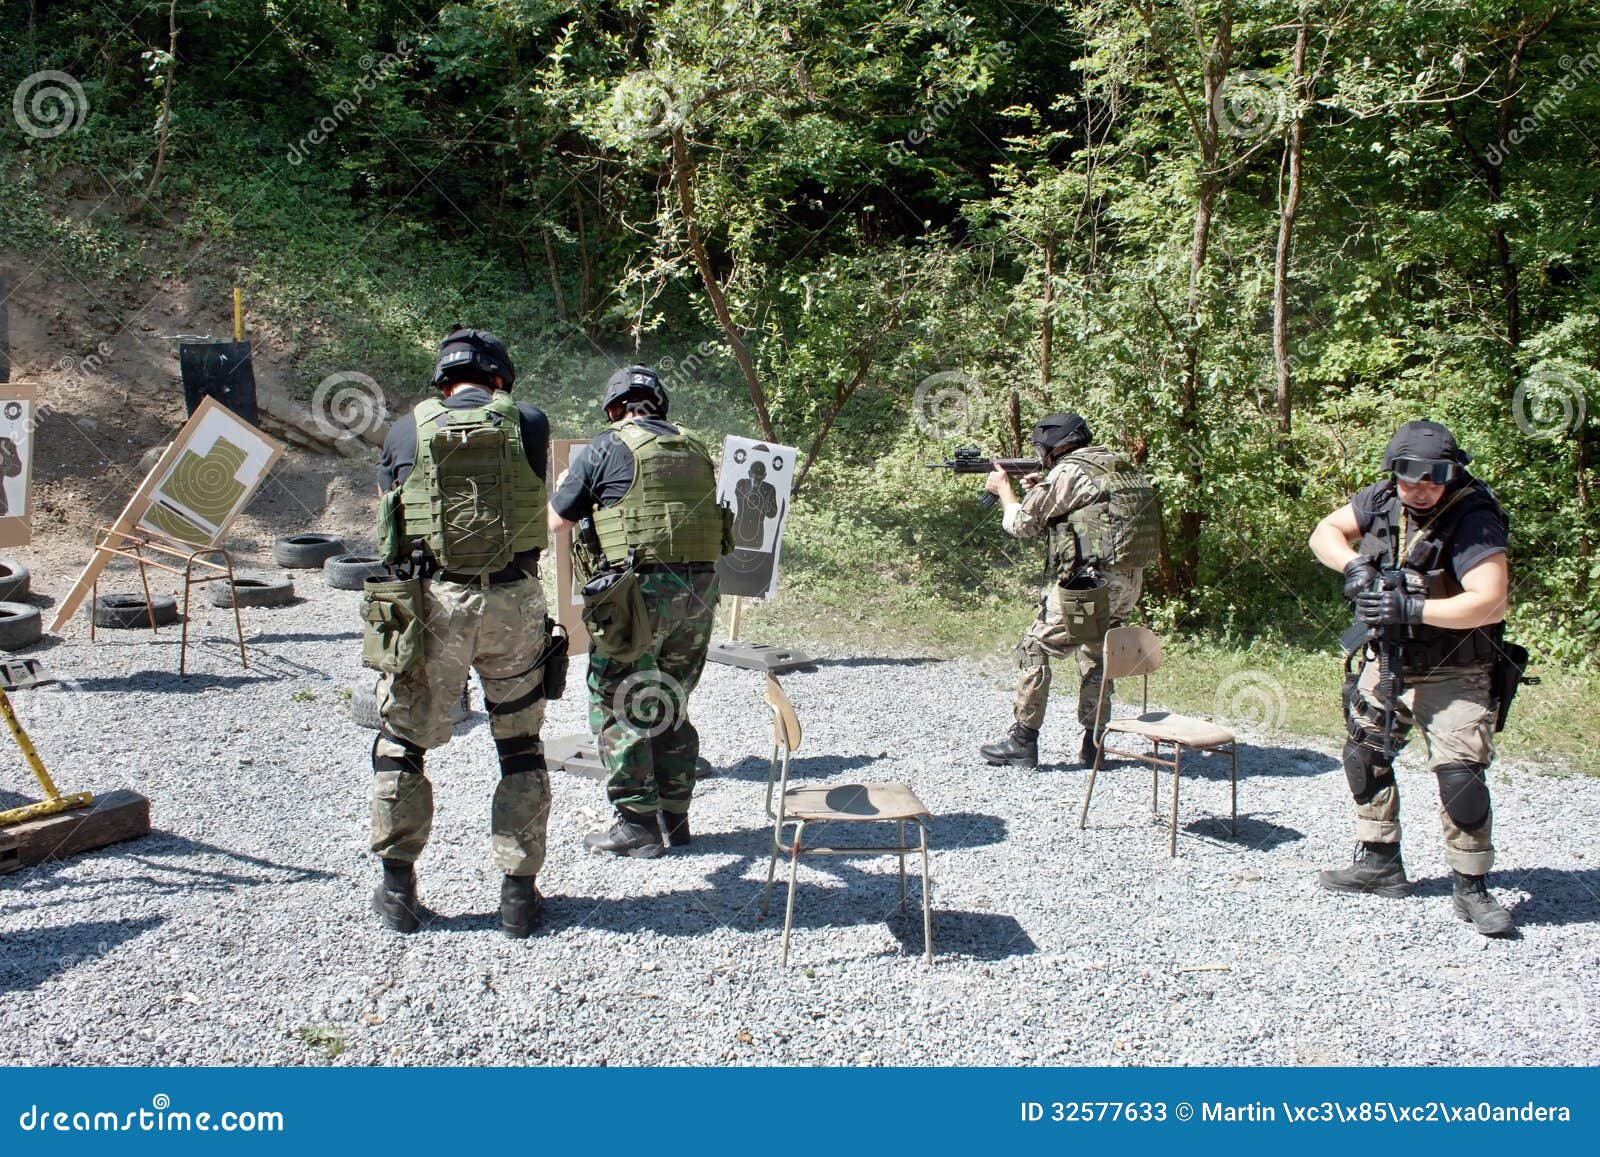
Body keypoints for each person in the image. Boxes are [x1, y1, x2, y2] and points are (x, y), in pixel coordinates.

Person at [368, 327, 554, 939]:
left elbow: (391, 521)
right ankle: (519, 898)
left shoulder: (402, 430)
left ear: (443, 381)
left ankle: (398, 892)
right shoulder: (529, 422)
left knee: (402, 742)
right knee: (520, 743)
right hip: (513, 599)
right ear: (499, 377)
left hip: (434, 603)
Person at [1309, 419, 1515, 936]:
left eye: (1434, 477)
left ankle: (1471, 887)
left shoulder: (1473, 516)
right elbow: (1324, 533)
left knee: (1460, 776)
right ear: (1393, 472)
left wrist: (1411, 607)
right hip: (1389, 655)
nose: (1420, 488)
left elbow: (1491, 600)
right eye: (1409, 477)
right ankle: (1380, 861)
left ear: (1451, 472)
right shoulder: (1382, 498)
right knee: (1364, 753)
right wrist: (1356, 567)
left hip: (1457, 665)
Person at [548, 365, 726, 858]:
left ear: (613, 409)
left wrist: (568, 487)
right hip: (699, 590)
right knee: (671, 698)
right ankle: (676, 816)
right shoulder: (694, 446)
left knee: (617, 699)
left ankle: (637, 824)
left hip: (636, 595)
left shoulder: (607, 446)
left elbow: (556, 521)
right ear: (660, 406)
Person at [979, 413, 1159, 769]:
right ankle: (1095, 745)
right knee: (1097, 653)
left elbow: (1021, 524)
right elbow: (1091, 510)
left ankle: (1023, 741)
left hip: (1089, 585)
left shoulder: (1070, 471)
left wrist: (1004, 491)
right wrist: (1041, 489)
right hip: (1128, 584)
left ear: (1052, 444)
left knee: (1034, 646)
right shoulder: (1118, 464)